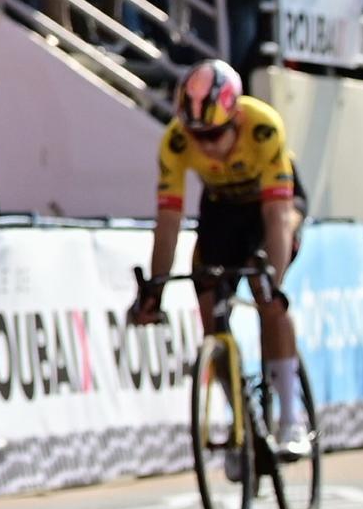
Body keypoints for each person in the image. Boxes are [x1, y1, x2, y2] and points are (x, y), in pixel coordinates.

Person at [131, 60, 310, 466]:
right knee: (210, 307)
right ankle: (240, 421)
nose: (207, 145)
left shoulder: (263, 126)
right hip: (222, 209)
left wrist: (274, 282)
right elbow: (169, 222)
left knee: (268, 298)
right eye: (199, 135)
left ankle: (289, 416)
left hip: (272, 206)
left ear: (236, 117)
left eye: (214, 134)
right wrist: (154, 290)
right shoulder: (176, 142)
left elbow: (278, 217)